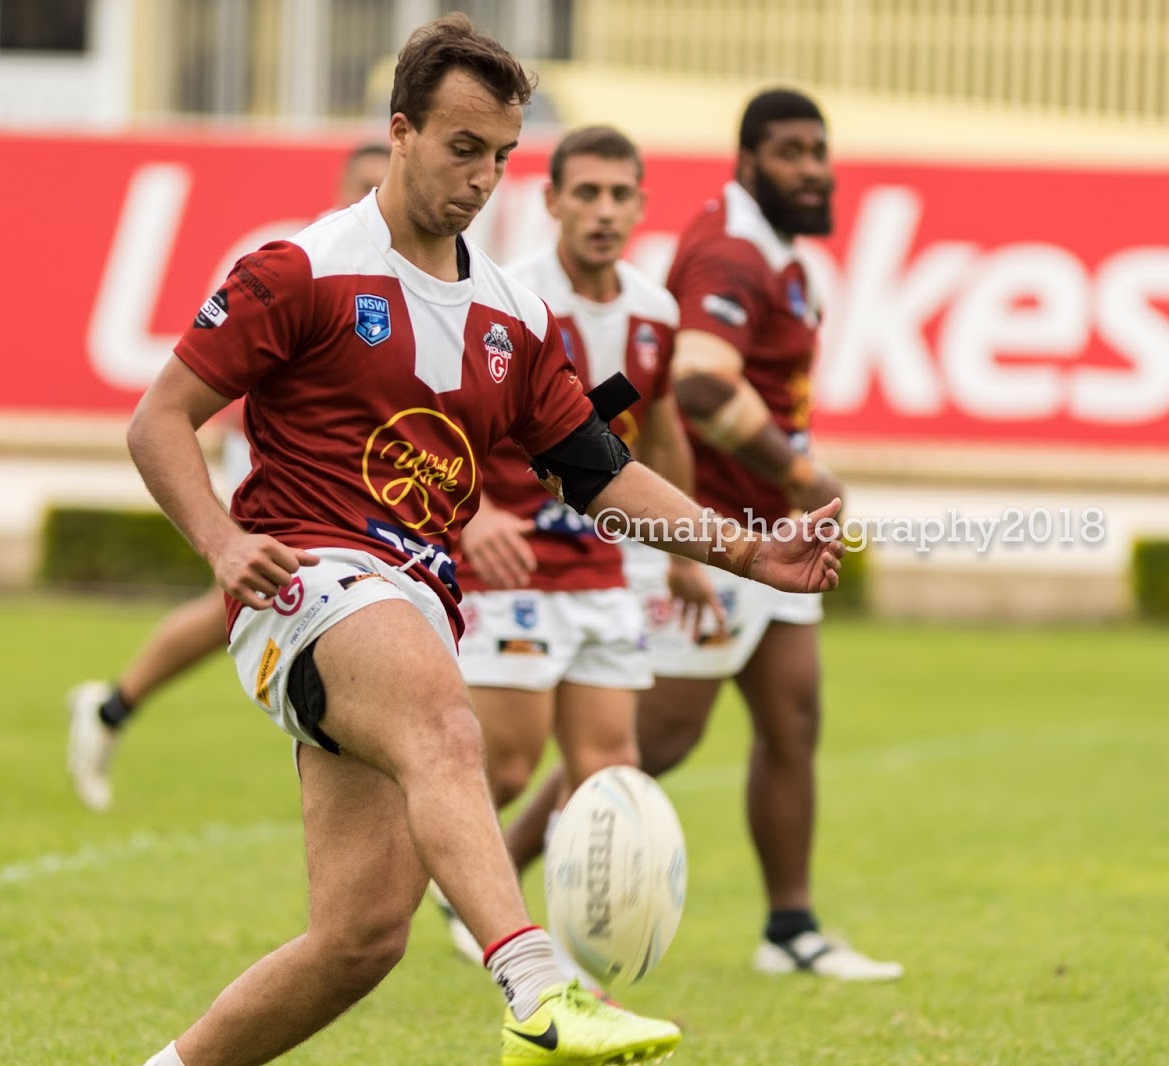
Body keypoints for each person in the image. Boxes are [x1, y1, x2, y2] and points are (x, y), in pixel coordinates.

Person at [128, 16, 844, 1066]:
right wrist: (221, 541)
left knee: (359, 939)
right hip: (310, 584)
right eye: (462, 149)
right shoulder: (299, 268)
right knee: (446, 729)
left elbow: (598, 474)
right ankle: (538, 987)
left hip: (413, 599)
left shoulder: (511, 312)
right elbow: (158, 420)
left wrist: (741, 550)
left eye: (501, 157)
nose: (481, 178)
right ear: (402, 130)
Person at [431, 126, 723, 969]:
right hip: (510, 569)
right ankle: (425, 880)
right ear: (551, 200)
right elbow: (448, 425)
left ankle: (571, 939)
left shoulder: (654, 313)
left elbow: (663, 438)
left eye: (619, 194)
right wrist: (473, 517)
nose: (603, 211)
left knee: (608, 769)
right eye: (585, 193)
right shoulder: (506, 299)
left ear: (640, 205)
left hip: (602, 571)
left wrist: (682, 555)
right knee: (513, 768)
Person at [625, 87, 900, 981]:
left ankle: (791, 929)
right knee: (654, 744)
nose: (814, 169)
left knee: (793, 719)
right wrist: (801, 475)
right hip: (722, 534)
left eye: (820, 150)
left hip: (774, 540)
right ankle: (487, 884)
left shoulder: (776, 252)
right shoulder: (730, 254)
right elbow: (700, 386)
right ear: (747, 160)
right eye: (791, 152)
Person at [66, 143, 390, 812]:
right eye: (363, 182)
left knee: (257, 604)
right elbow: (202, 380)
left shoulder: (414, 278)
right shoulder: (303, 263)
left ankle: (111, 710)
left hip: (369, 487)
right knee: (266, 591)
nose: (375, 196)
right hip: (278, 462)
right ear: (338, 186)